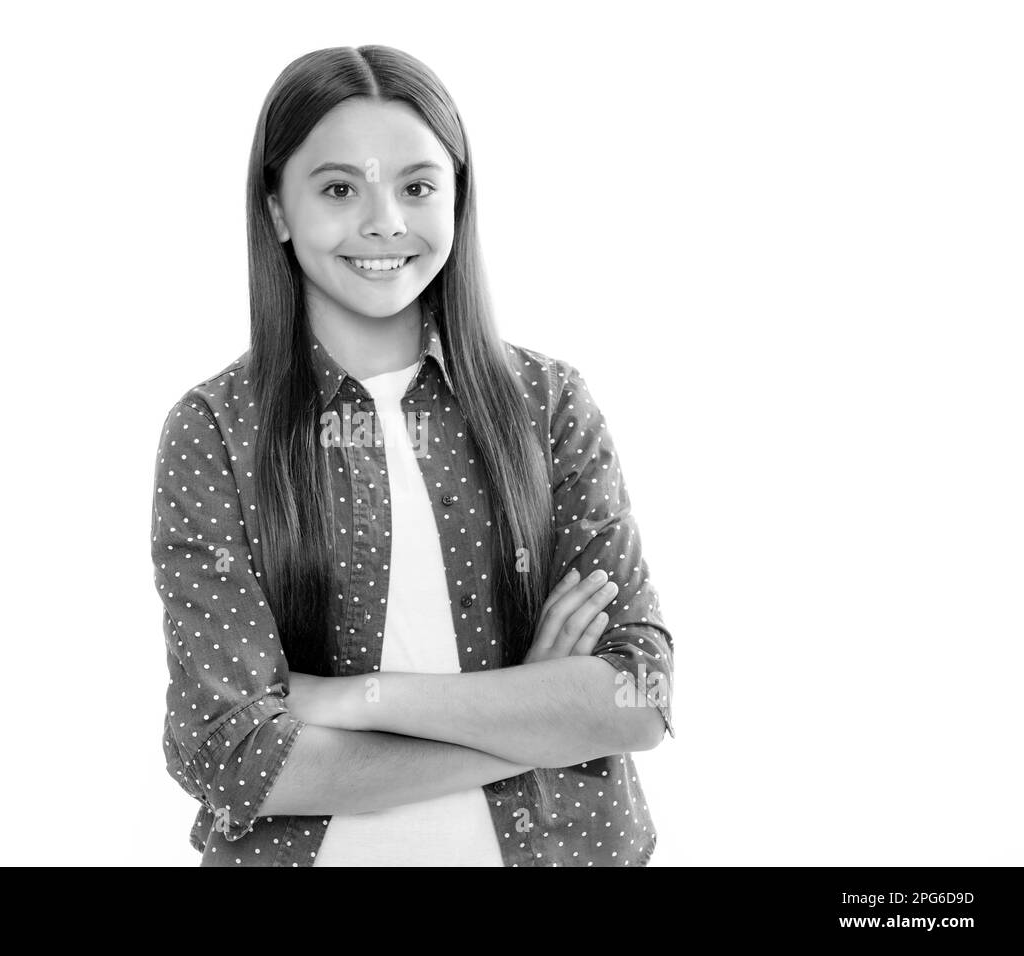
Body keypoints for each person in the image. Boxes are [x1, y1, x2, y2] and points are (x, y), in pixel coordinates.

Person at [151, 44, 674, 867]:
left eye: (418, 186)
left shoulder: (549, 405)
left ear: (458, 200)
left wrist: (353, 701)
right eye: (337, 189)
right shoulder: (217, 430)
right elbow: (236, 753)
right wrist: (533, 716)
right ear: (278, 211)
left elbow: (639, 695)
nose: (385, 221)